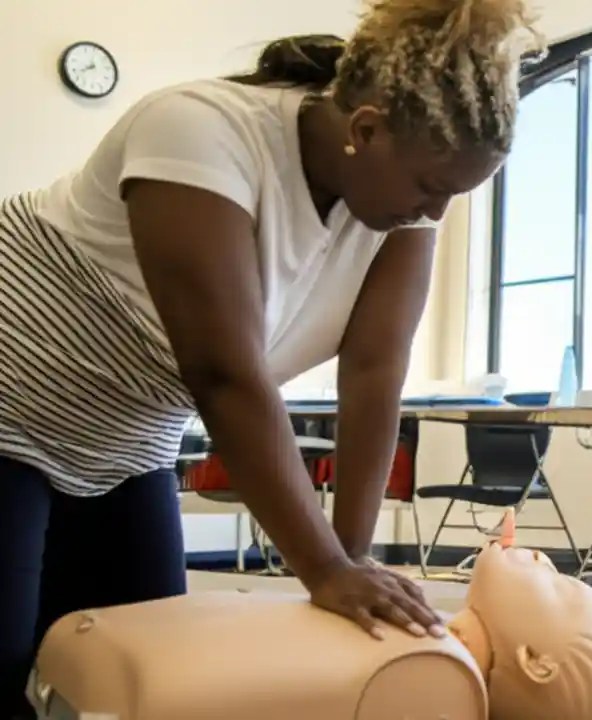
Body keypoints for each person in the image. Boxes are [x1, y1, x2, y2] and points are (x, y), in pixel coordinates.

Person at [0, 0, 544, 716]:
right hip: (11, 401)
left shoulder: (402, 209)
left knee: (143, 670)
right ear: (367, 130)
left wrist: (349, 561)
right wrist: (318, 567)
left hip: (125, 445)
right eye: (432, 188)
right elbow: (222, 373)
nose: (436, 213)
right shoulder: (198, 131)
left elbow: (375, 370)